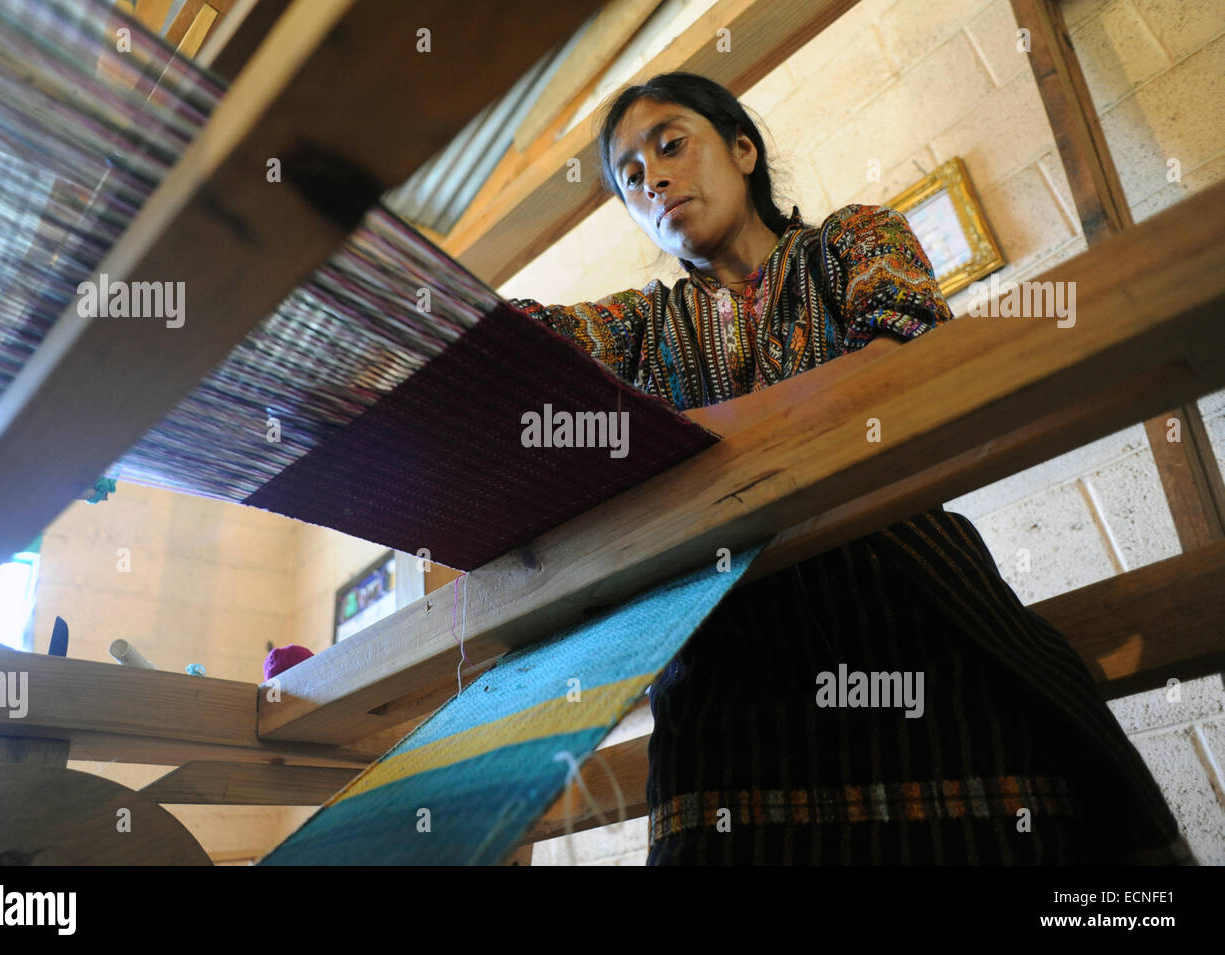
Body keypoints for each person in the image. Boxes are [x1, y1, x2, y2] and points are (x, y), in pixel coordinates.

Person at [508, 71, 1192, 866]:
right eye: (629, 178)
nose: (652, 178)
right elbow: (519, 345)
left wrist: (703, 439)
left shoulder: (852, 243)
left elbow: (909, 363)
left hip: (914, 608)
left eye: (670, 145)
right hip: (734, 667)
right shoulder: (638, 325)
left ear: (742, 148)